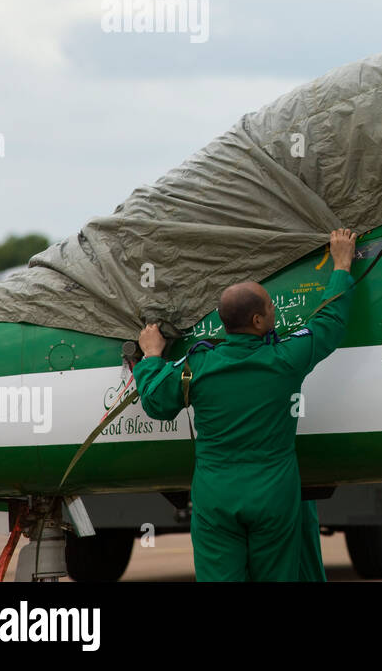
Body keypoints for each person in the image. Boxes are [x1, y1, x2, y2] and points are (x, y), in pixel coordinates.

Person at [134, 228, 358, 581]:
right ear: (258, 321)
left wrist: (150, 355)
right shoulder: (285, 359)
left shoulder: (199, 365)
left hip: (215, 496)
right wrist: (342, 264)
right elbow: (329, 321)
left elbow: (156, 403)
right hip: (274, 493)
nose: (274, 309)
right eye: (271, 306)